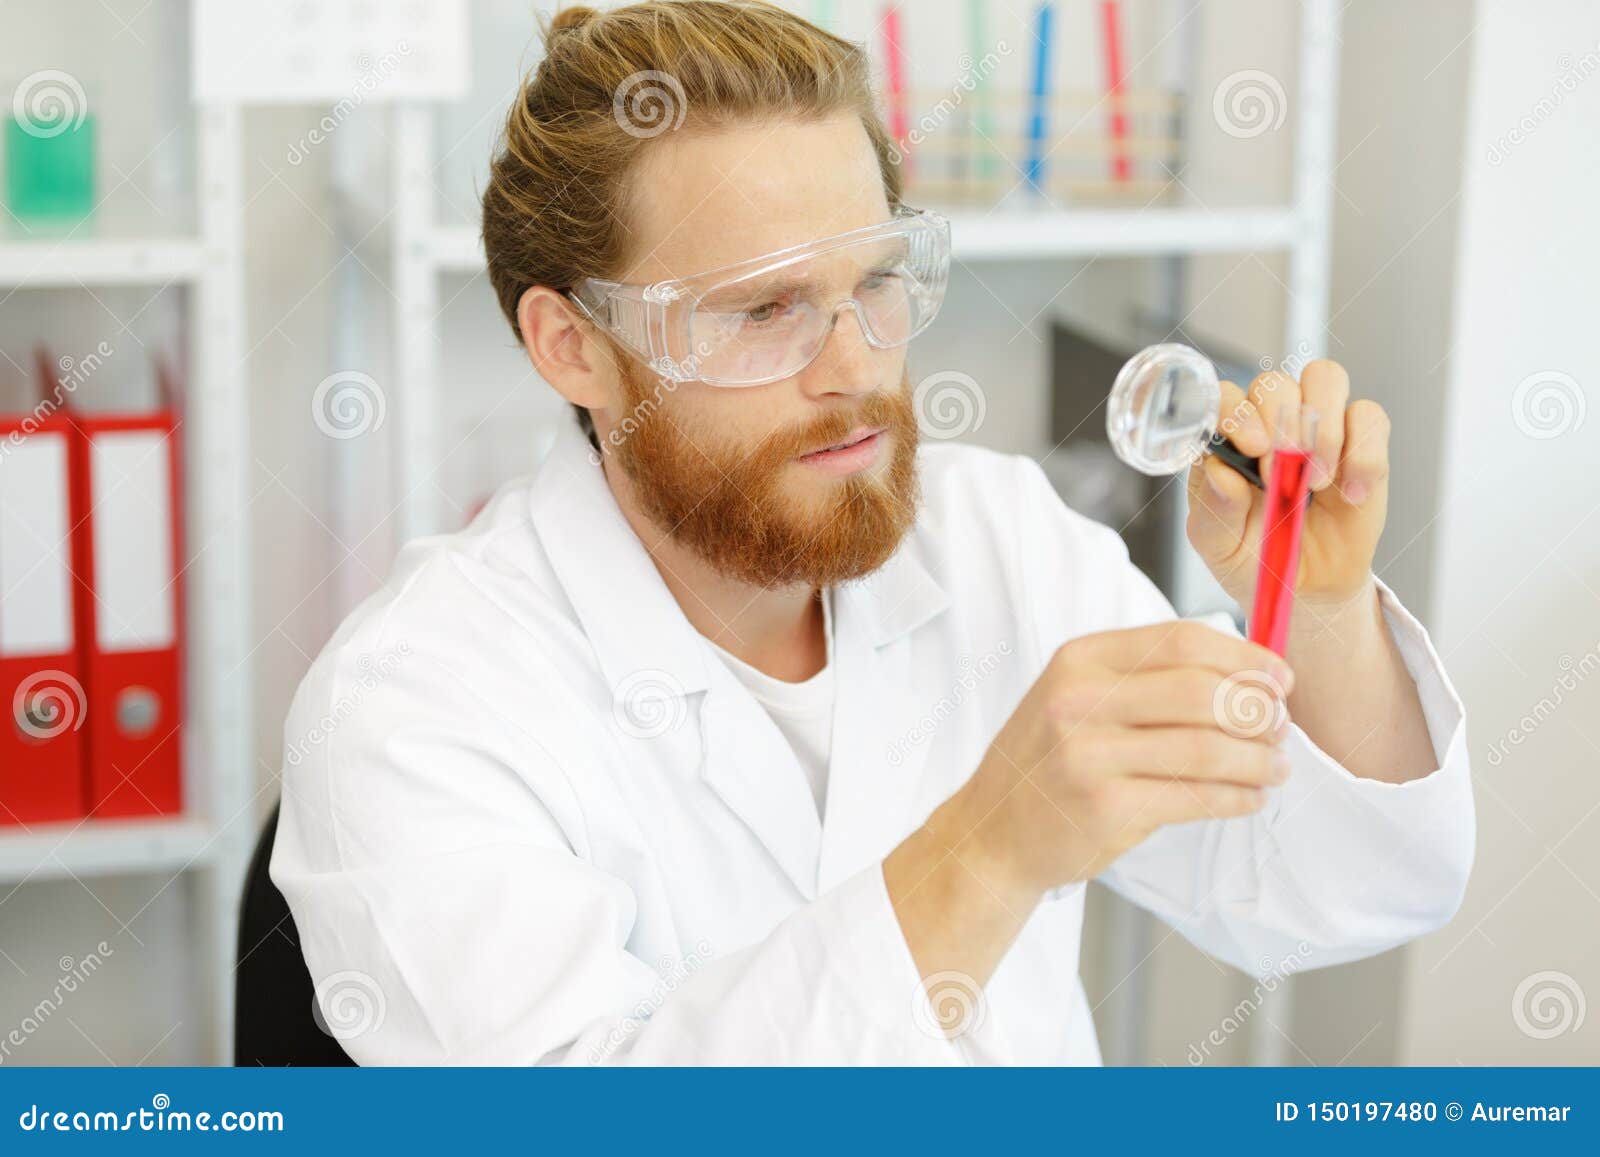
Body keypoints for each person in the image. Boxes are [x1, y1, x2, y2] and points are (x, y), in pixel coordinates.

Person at [272, 0, 1474, 1065]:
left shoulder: (997, 536)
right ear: (572, 346)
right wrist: (987, 852)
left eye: (876, 283)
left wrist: (1318, 615)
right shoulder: (413, 706)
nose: (853, 366)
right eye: (762, 309)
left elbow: (1333, 886)